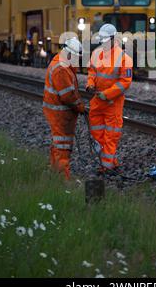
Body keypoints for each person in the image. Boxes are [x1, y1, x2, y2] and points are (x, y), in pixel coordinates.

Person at [86, 23, 133, 173]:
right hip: (97, 101)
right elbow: (92, 71)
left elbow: (125, 82)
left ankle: (106, 167)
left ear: (113, 39)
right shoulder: (96, 54)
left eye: (106, 40)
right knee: (97, 134)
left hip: (113, 103)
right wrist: (90, 84)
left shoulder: (124, 58)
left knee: (110, 136)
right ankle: (109, 163)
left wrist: (107, 94)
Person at [43, 36, 85, 180]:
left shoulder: (61, 63)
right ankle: (63, 179)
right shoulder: (61, 68)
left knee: (58, 144)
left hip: (58, 112)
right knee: (63, 147)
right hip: (60, 114)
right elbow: (67, 96)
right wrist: (80, 107)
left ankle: (55, 174)